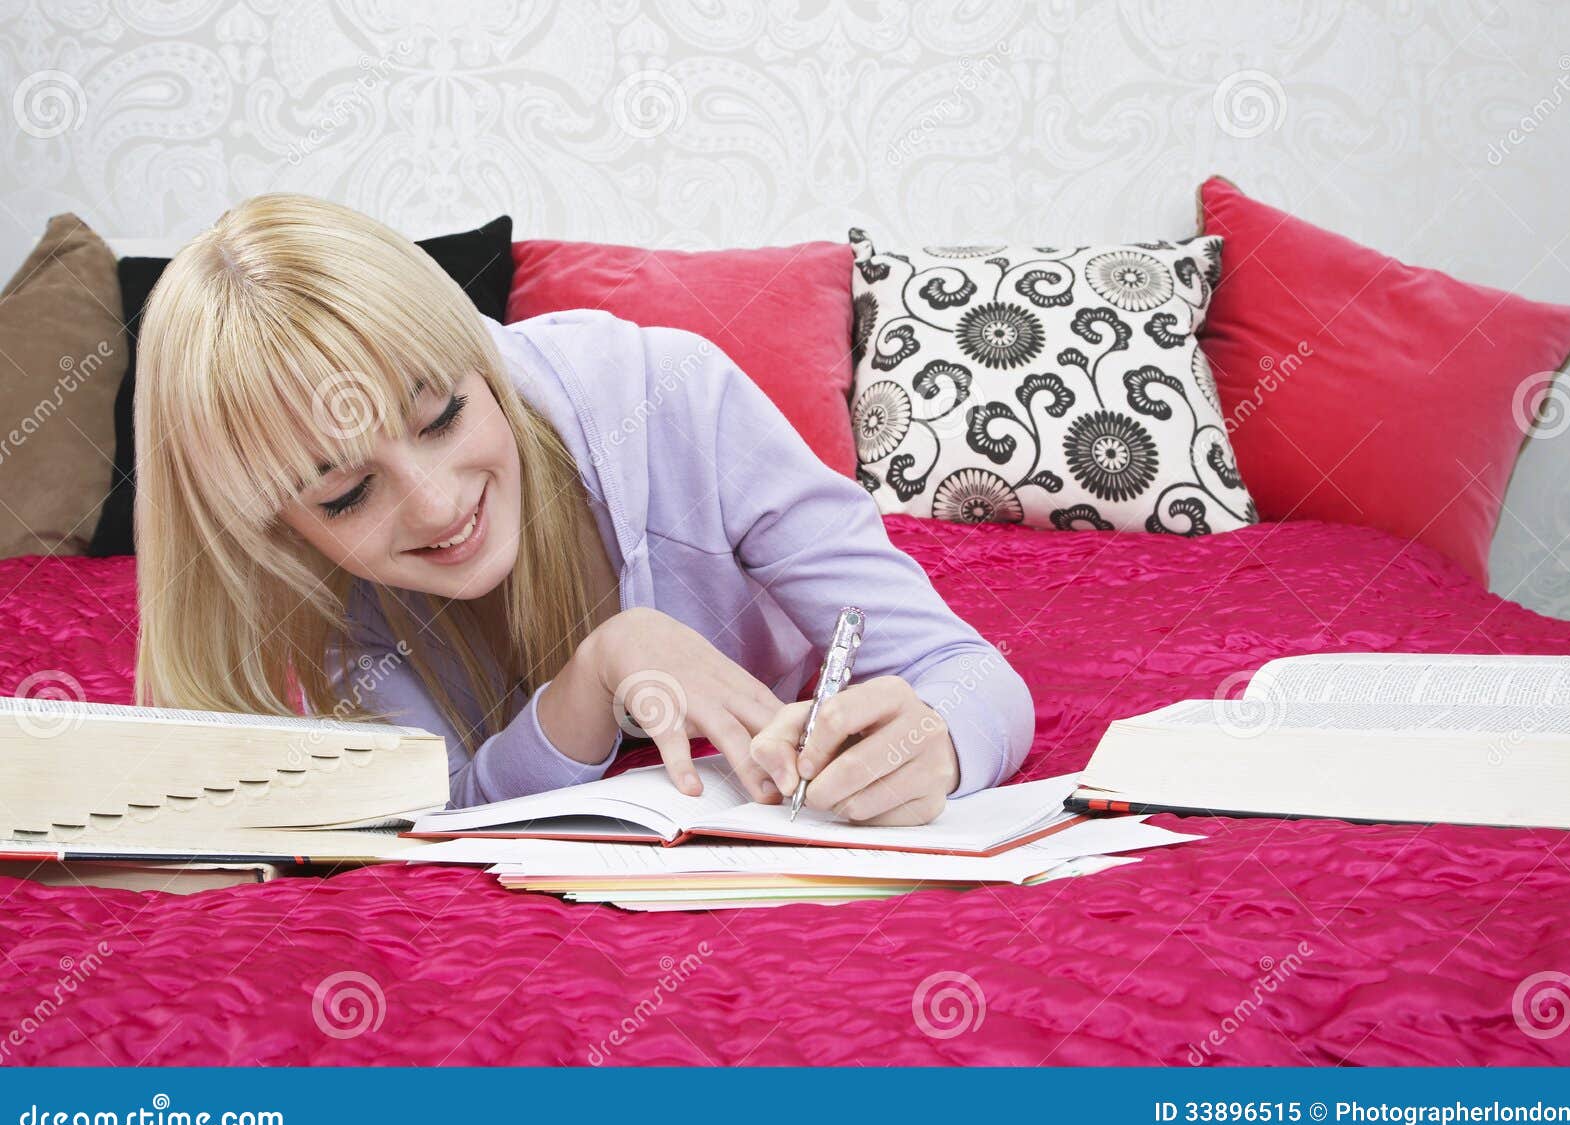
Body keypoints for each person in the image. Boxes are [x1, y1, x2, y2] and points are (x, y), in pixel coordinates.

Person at [131, 193, 1034, 824]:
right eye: (347, 494)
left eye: (443, 414)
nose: (439, 504)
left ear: (482, 364)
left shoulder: (675, 396)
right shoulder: (323, 587)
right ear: (278, 528)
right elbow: (442, 810)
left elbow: (964, 668)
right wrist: (598, 673)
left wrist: (940, 741)